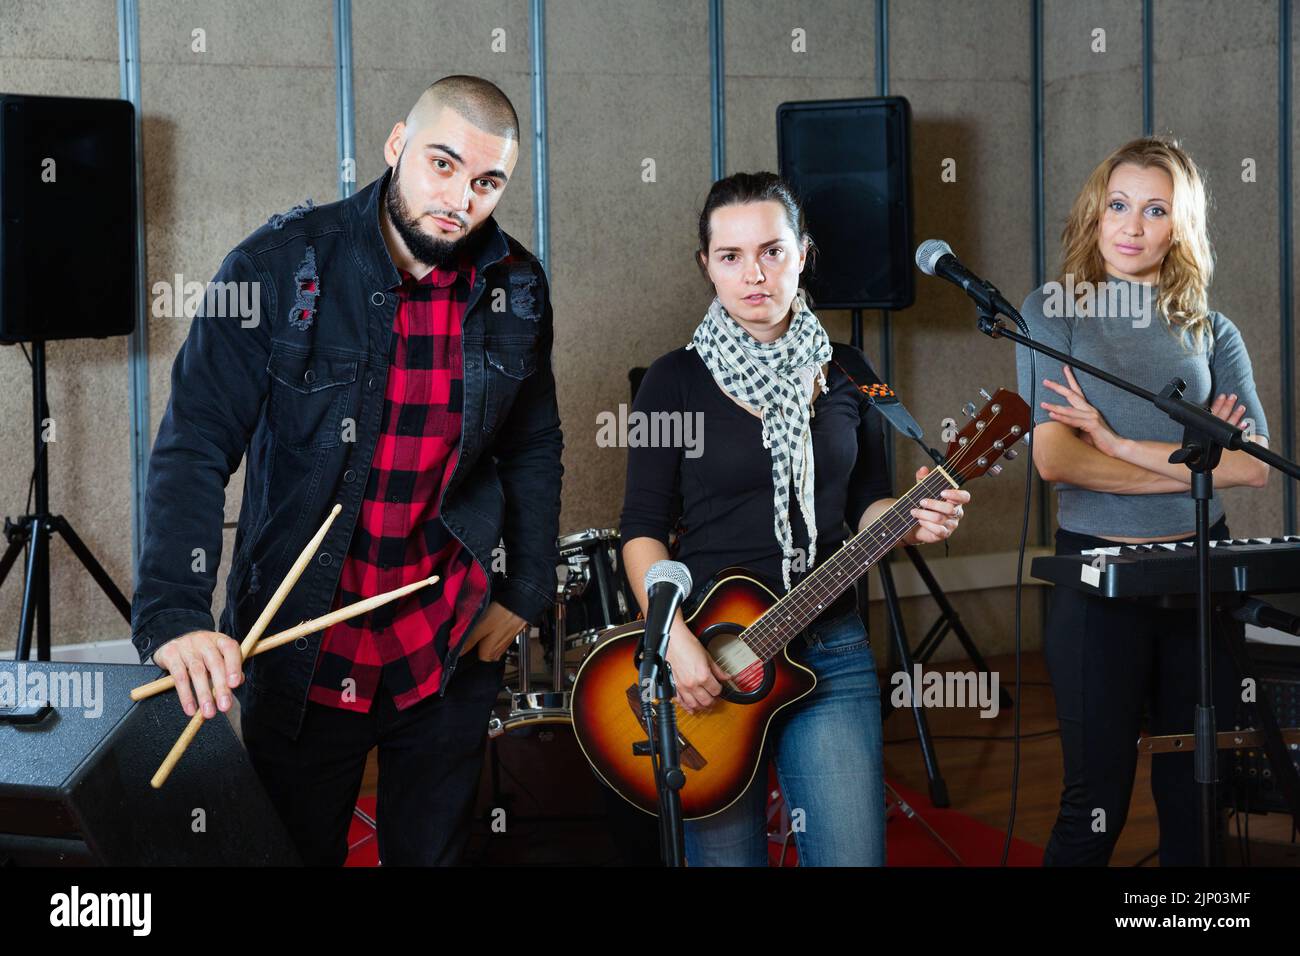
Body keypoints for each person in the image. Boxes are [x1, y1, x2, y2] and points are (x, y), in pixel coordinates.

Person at [131, 75, 564, 865]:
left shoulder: (519, 288)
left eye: (486, 181)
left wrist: (524, 588)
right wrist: (176, 613)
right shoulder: (276, 268)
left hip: (445, 640)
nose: (459, 198)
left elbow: (532, 445)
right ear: (397, 144)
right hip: (302, 643)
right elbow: (195, 441)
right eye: (441, 164)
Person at [619, 171, 970, 866]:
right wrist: (673, 639)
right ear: (706, 266)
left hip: (830, 648)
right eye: (731, 256)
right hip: (710, 655)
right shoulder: (675, 380)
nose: (754, 273)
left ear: (804, 254)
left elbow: (866, 499)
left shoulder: (849, 371)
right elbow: (642, 526)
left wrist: (910, 519)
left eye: (773, 251)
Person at [1014, 135, 1271, 865]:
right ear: (1096, 216)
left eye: (1154, 210)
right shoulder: (1053, 313)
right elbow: (1057, 457)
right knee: (1095, 800)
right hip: (1099, 580)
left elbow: (1251, 469)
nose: (1131, 226)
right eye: (1118, 206)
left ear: (1179, 227)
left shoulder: (1212, 330)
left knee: (1197, 795)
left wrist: (1119, 446)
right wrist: (1195, 462)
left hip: (1199, 578)